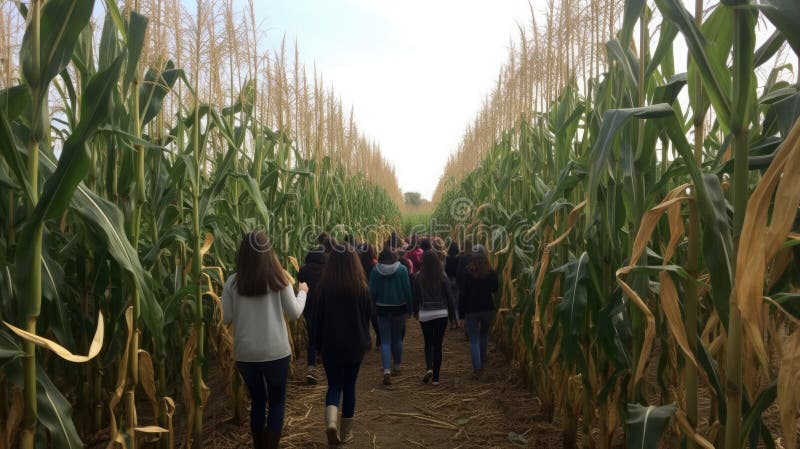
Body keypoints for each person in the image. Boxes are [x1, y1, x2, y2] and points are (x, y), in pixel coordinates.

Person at [222, 231, 307, 449]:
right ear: (269, 252)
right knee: (276, 402)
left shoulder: (232, 283)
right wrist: (303, 292)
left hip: (245, 354)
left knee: (258, 401)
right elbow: (294, 313)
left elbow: (226, 318)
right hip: (276, 353)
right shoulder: (279, 279)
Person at [314, 241, 373, 445]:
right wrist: (367, 339)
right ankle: (346, 433)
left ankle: (331, 424)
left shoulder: (324, 288)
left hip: (330, 345)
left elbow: (318, 320)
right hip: (355, 345)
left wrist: (317, 347)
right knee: (349, 386)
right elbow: (367, 316)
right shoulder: (362, 287)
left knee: (334, 386)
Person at [369, 246, 412, 385]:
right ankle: (397, 366)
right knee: (397, 339)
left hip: (381, 308)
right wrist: (410, 308)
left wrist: (372, 307)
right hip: (399, 308)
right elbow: (407, 290)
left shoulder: (375, 271)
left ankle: (386, 370)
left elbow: (372, 292)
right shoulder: (402, 270)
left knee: (385, 341)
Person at [412, 251, 455, 385]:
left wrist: (415, 311)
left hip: (425, 313)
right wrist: (453, 317)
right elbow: (449, 296)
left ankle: (429, 368)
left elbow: (415, 296)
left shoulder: (418, 276)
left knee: (428, 343)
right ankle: (436, 378)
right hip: (441, 313)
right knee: (438, 345)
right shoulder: (442, 275)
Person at [457, 244, 498, 379]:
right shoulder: (491, 272)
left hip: (471, 310)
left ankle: (477, 368)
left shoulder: (467, 272)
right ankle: (482, 360)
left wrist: (461, 315)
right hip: (487, 309)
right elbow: (495, 289)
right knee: (484, 335)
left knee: (474, 339)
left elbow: (463, 295)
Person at [297, 245, 326, 384]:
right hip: (323, 307)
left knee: (312, 337)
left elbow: (300, 285)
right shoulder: (326, 269)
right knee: (324, 333)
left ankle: (311, 367)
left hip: (308, 307)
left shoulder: (303, 270)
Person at [357, 243, 381, 349]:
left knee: (364, 318)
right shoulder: (375, 263)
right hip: (373, 293)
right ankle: (379, 340)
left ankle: (367, 340)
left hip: (362, 293)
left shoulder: (359, 263)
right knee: (375, 317)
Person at [444, 242, 461, 329]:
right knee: (456, 302)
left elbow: (445, 270)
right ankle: (457, 320)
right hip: (457, 280)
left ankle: (452, 322)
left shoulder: (446, 258)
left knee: (450, 302)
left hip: (448, 280)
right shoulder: (459, 259)